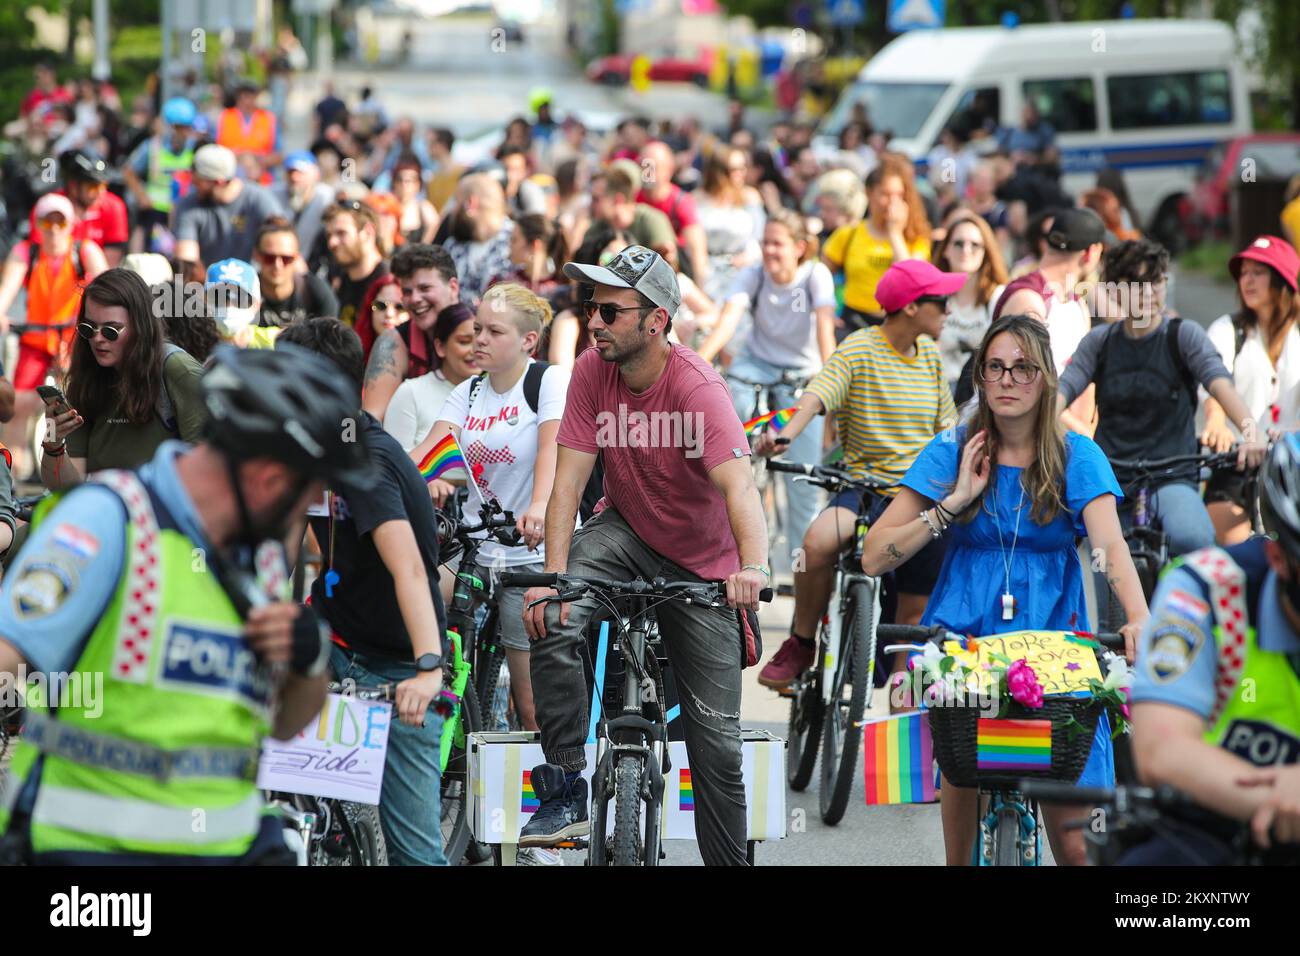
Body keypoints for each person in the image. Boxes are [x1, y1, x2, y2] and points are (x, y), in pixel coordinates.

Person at [0, 344, 365, 864]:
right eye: (306, 492)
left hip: (231, 848)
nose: (304, 514)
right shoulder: (108, 522)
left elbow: (283, 726)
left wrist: (308, 661)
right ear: (269, 480)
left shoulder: (256, 559)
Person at [863, 313, 1144, 865]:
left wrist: (1137, 616)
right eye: (996, 368)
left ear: (1045, 379)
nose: (1009, 380)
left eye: (1023, 368)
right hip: (966, 640)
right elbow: (875, 555)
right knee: (961, 833)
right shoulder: (952, 450)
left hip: (1055, 646)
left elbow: (1111, 549)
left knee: (1075, 841)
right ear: (980, 379)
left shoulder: (1076, 455)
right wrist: (953, 504)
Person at [517, 245, 767, 866]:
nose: (594, 321)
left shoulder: (697, 387)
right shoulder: (589, 371)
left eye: (609, 310)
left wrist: (753, 569)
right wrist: (553, 579)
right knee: (552, 613)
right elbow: (567, 487)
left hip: (705, 563)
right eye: (591, 307)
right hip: (624, 533)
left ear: (655, 321)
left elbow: (741, 487)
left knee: (716, 749)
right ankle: (569, 778)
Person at [283, 317, 450, 867]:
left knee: (414, 855)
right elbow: (284, 548)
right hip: (335, 640)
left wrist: (428, 670)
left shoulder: (367, 464)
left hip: (399, 664)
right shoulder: (314, 450)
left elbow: (408, 570)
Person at [754, 260, 960, 700]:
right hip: (865, 492)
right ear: (909, 307)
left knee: (917, 601)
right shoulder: (859, 348)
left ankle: (901, 693)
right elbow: (818, 394)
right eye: (940, 301)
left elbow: (948, 431)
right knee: (814, 545)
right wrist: (786, 433)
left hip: (922, 496)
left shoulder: (931, 359)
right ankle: (802, 642)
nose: (948, 310)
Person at [1057, 239, 1268, 618]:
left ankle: (1203, 629)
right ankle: (1113, 652)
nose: (1151, 292)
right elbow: (1064, 389)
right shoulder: (1100, 343)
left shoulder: (1182, 335)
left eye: (1156, 281)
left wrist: (1250, 430)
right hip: (1114, 477)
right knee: (1103, 557)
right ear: (1117, 292)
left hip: (1173, 473)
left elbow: (1219, 382)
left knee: (1194, 536)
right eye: (1138, 284)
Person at [1123, 434, 1300, 864]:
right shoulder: (1206, 590)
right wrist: (1275, 794)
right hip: (1215, 830)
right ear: (1278, 558)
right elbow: (1160, 750)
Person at [420, 285, 568, 747]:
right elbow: (427, 454)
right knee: (416, 598)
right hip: (474, 547)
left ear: (528, 341)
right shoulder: (468, 390)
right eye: (477, 328)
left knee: (529, 706)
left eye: (493, 331)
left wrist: (539, 507)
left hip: (530, 552)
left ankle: (549, 792)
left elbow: (552, 451)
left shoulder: (548, 382)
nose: (478, 339)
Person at [698, 210, 837, 552]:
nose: (770, 251)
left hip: (801, 376)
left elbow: (825, 332)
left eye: (778, 244)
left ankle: (799, 565)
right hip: (756, 367)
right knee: (736, 435)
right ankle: (740, 549)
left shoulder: (815, 276)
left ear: (799, 248)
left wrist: (833, 384)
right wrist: (698, 363)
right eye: (765, 243)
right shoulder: (753, 274)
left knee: (801, 476)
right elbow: (728, 322)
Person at [41, 269, 206, 490]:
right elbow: (66, 489)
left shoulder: (177, 370)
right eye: (88, 329)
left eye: (111, 330)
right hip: (100, 511)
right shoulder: (87, 377)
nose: (97, 339)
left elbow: (207, 469)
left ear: (141, 326)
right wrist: (53, 439)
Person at [0, 193, 108, 478]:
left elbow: (107, 290)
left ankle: (74, 463)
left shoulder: (86, 251)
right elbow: (6, 290)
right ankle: (12, 475)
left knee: (75, 400)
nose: (54, 230)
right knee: (19, 403)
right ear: (38, 224)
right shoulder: (26, 252)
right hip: (36, 339)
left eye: (61, 222)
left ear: (71, 224)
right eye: (47, 223)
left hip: (75, 338)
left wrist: (86, 322)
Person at [1202, 235, 1300, 545]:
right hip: (1237, 460)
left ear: (1283, 280)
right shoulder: (1228, 330)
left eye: (1259, 272)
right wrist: (1215, 422)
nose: (1248, 280)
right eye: (1244, 272)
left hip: (1294, 459)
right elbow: (1213, 382)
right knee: (1236, 554)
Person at [994, 207, 1105, 433]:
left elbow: (1083, 371)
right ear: (1091, 253)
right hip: (1022, 441)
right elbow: (1025, 381)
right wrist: (1081, 432)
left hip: (1061, 440)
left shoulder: (1076, 303)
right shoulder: (1029, 301)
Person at [821, 156, 931, 334]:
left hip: (895, 325)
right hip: (853, 322)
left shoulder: (915, 238)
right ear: (869, 193)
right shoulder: (850, 233)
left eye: (899, 195)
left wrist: (895, 233)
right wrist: (827, 312)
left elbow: (910, 282)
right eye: (886, 194)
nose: (893, 202)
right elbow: (820, 275)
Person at [362, 244, 460, 419]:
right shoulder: (393, 342)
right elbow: (372, 419)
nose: (414, 299)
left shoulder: (482, 332)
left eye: (424, 288)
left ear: (453, 288)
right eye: (407, 291)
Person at [932, 212, 1010, 400]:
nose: (966, 250)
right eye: (958, 243)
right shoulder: (932, 297)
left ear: (986, 252)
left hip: (980, 395)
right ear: (945, 250)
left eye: (975, 245)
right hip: (937, 393)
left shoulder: (998, 297)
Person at [383, 303, 477, 453]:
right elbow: (397, 465)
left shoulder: (500, 394)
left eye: (481, 342)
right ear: (440, 347)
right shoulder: (411, 393)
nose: (475, 350)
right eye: (464, 341)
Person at [174, 144, 285, 268]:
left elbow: (284, 243)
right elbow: (187, 261)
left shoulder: (259, 199)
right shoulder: (189, 205)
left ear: (219, 181)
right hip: (208, 282)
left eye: (199, 180)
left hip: (252, 282)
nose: (193, 183)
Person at [27, 150, 129, 268]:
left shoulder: (114, 206)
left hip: (97, 279)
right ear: (73, 186)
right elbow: (40, 257)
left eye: (104, 185)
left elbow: (111, 262)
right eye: (93, 187)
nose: (101, 193)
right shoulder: (47, 209)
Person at [693, 146, 766, 302]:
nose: (742, 173)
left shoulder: (749, 197)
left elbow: (760, 237)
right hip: (704, 269)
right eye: (735, 169)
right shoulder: (697, 198)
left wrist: (750, 256)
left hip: (741, 269)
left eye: (743, 167)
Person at [637, 140, 709, 283]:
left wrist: (701, 285)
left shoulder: (681, 202)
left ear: (669, 169)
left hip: (670, 276)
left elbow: (697, 250)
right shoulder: (633, 198)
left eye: (653, 167)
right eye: (643, 166)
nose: (647, 172)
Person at [442, 174, 515, 308]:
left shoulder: (516, 242)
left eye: (456, 202)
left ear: (471, 203)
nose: (453, 210)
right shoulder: (453, 245)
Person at [254, 217, 339, 330]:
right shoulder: (243, 291)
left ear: (297, 258)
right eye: (269, 258)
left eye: (286, 259)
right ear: (257, 256)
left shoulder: (316, 292)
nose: (277, 265)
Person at [587, 164, 677, 265]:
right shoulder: (597, 227)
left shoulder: (652, 221)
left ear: (617, 200)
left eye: (596, 199)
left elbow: (668, 268)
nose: (590, 205)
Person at [323, 200, 388, 329]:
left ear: (368, 232)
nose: (332, 242)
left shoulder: (389, 284)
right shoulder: (337, 282)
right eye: (329, 235)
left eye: (341, 233)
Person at [272, 151, 336, 275]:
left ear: (315, 174)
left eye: (300, 172)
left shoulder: (326, 197)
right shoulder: (273, 194)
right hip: (280, 262)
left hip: (315, 264)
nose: (295, 177)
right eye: (290, 172)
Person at [487, 213, 566, 302]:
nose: (510, 245)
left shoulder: (558, 292)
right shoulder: (502, 282)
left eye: (514, 240)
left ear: (535, 245)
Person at [216, 80, 280, 185]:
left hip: (261, 181)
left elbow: (278, 156)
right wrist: (240, 158)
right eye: (244, 95)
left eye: (251, 95)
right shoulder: (225, 116)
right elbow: (216, 151)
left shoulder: (268, 118)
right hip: (229, 180)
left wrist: (256, 161)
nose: (247, 100)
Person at [390, 153, 439, 245]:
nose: (404, 185)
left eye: (409, 180)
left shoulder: (423, 207)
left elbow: (434, 225)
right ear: (394, 183)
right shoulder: (388, 206)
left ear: (418, 184)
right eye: (400, 180)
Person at [425, 128, 465, 213]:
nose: (427, 148)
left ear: (442, 145)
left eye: (431, 143)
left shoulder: (462, 173)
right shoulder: (433, 177)